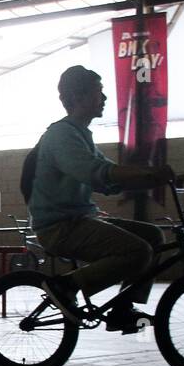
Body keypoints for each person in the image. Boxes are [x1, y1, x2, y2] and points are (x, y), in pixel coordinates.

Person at [27, 65, 174, 334]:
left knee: (153, 236)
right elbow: (94, 171)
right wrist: (148, 172)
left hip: (79, 220)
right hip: (60, 227)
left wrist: (153, 178)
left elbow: (109, 177)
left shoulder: (80, 134)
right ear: (79, 97)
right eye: (99, 92)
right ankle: (67, 285)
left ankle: (123, 308)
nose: (104, 99)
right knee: (138, 251)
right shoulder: (61, 135)